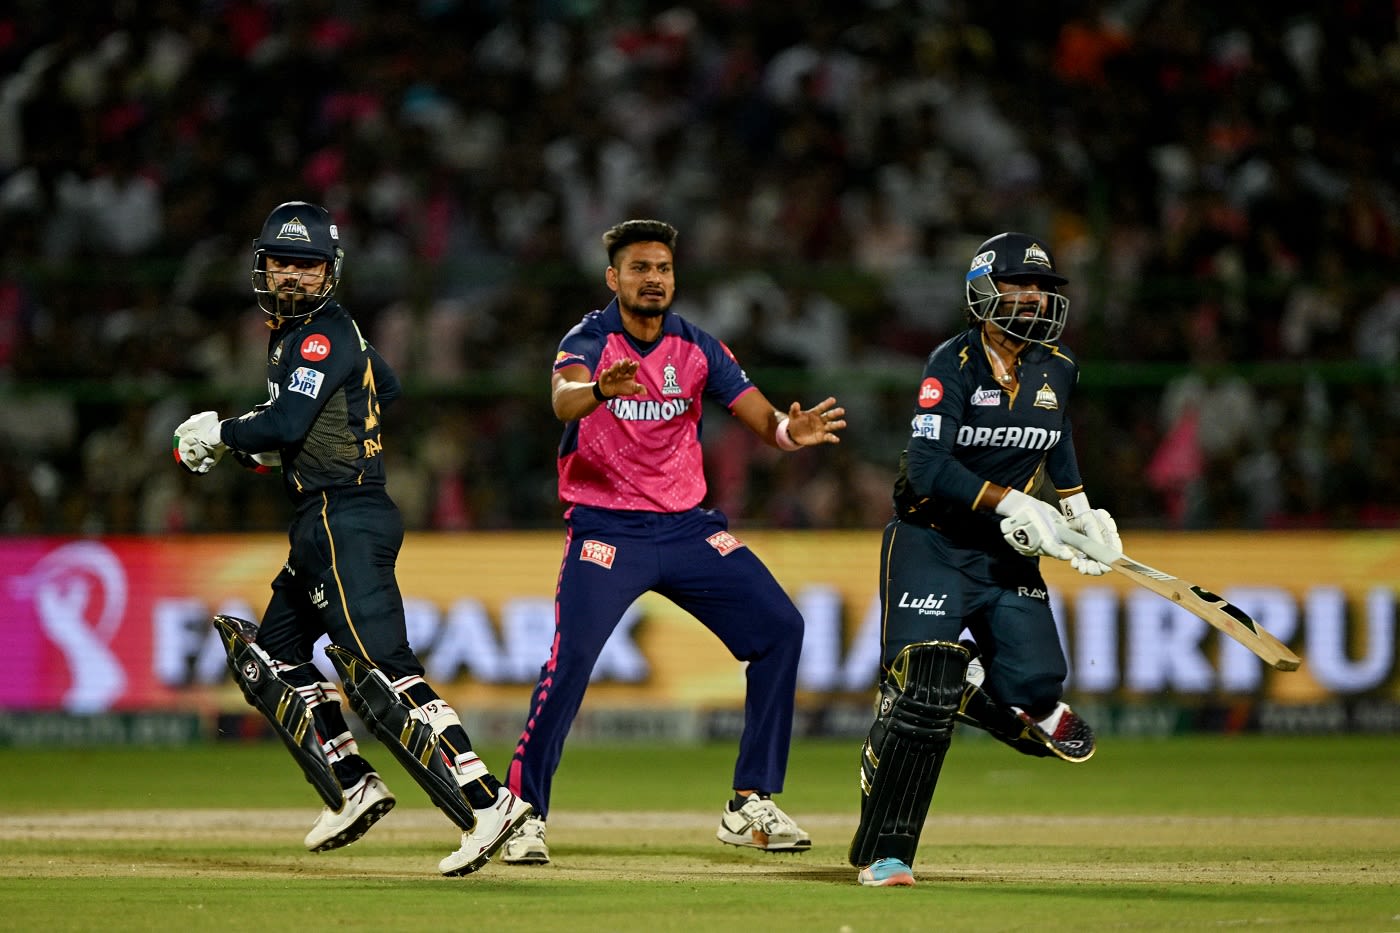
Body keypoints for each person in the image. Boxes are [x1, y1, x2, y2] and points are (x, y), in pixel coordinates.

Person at [173, 200, 531, 877]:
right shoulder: (316, 335)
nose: (291, 275)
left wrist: (223, 434)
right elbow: (381, 387)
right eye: (281, 260)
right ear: (262, 264)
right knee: (274, 655)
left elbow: (286, 420)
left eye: (306, 265)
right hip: (319, 520)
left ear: (327, 272)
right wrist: (296, 436)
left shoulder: (317, 334)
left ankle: (489, 802)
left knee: (384, 667)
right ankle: (351, 783)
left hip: (345, 515)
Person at [500, 218, 847, 865]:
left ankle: (750, 802)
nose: (653, 279)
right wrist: (601, 388)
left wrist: (789, 431)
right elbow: (562, 399)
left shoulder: (697, 347)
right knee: (570, 661)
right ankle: (521, 812)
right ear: (614, 278)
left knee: (781, 628)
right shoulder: (589, 339)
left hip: (688, 529)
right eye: (639, 268)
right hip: (606, 528)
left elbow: (763, 416)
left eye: (662, 268)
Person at [847, 232, 1122, 887]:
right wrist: (1010, 502)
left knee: (1035, 687)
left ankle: (973, 689)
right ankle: (889, 852)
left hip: (1003, 552)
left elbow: (1056, 441)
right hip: (932, 541)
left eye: (1042, 287)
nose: (1032, 298)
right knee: (919, 690)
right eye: (1018, 285)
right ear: (982, 290)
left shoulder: (1060, 366)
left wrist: (1081, 512)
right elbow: (925, 466)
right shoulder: (953, 363)